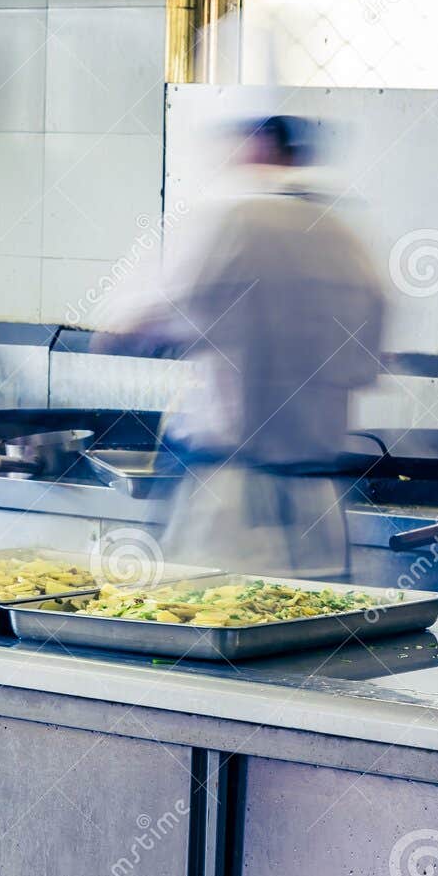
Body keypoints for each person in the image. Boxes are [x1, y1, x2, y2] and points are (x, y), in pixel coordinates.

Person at [104, 115, 386, 579]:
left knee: (210, 626)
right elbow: (366, 366)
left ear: (261, 150)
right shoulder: (347, 237)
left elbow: (139, 324)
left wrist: (130, 335)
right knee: (317, 637)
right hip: (319, 504)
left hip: (231, 504)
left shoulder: (233, 217)